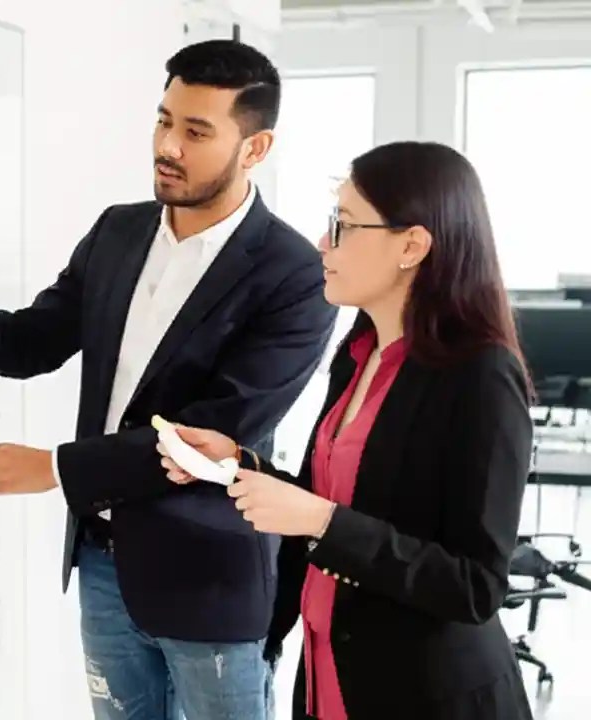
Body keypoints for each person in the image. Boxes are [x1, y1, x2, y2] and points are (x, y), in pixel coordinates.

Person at [0, 39, 337, 720]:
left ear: (255, 149)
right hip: (105, 563)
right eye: (164, 120)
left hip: (209, 576)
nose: (168, 145)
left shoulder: (293, 275)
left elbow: (210, 435)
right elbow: (30, 342)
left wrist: (55, 468)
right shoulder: (118, 232)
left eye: (196, 131)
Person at [158, 141, 535, 720]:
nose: (322, 244)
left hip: (428, 696)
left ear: (412, 244)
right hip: (329, 678)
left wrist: (319, 523)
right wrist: (239, 464)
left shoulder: (480, 375)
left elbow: (475, 585)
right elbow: (334, 496)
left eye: (343, 224)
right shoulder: (357, 355)